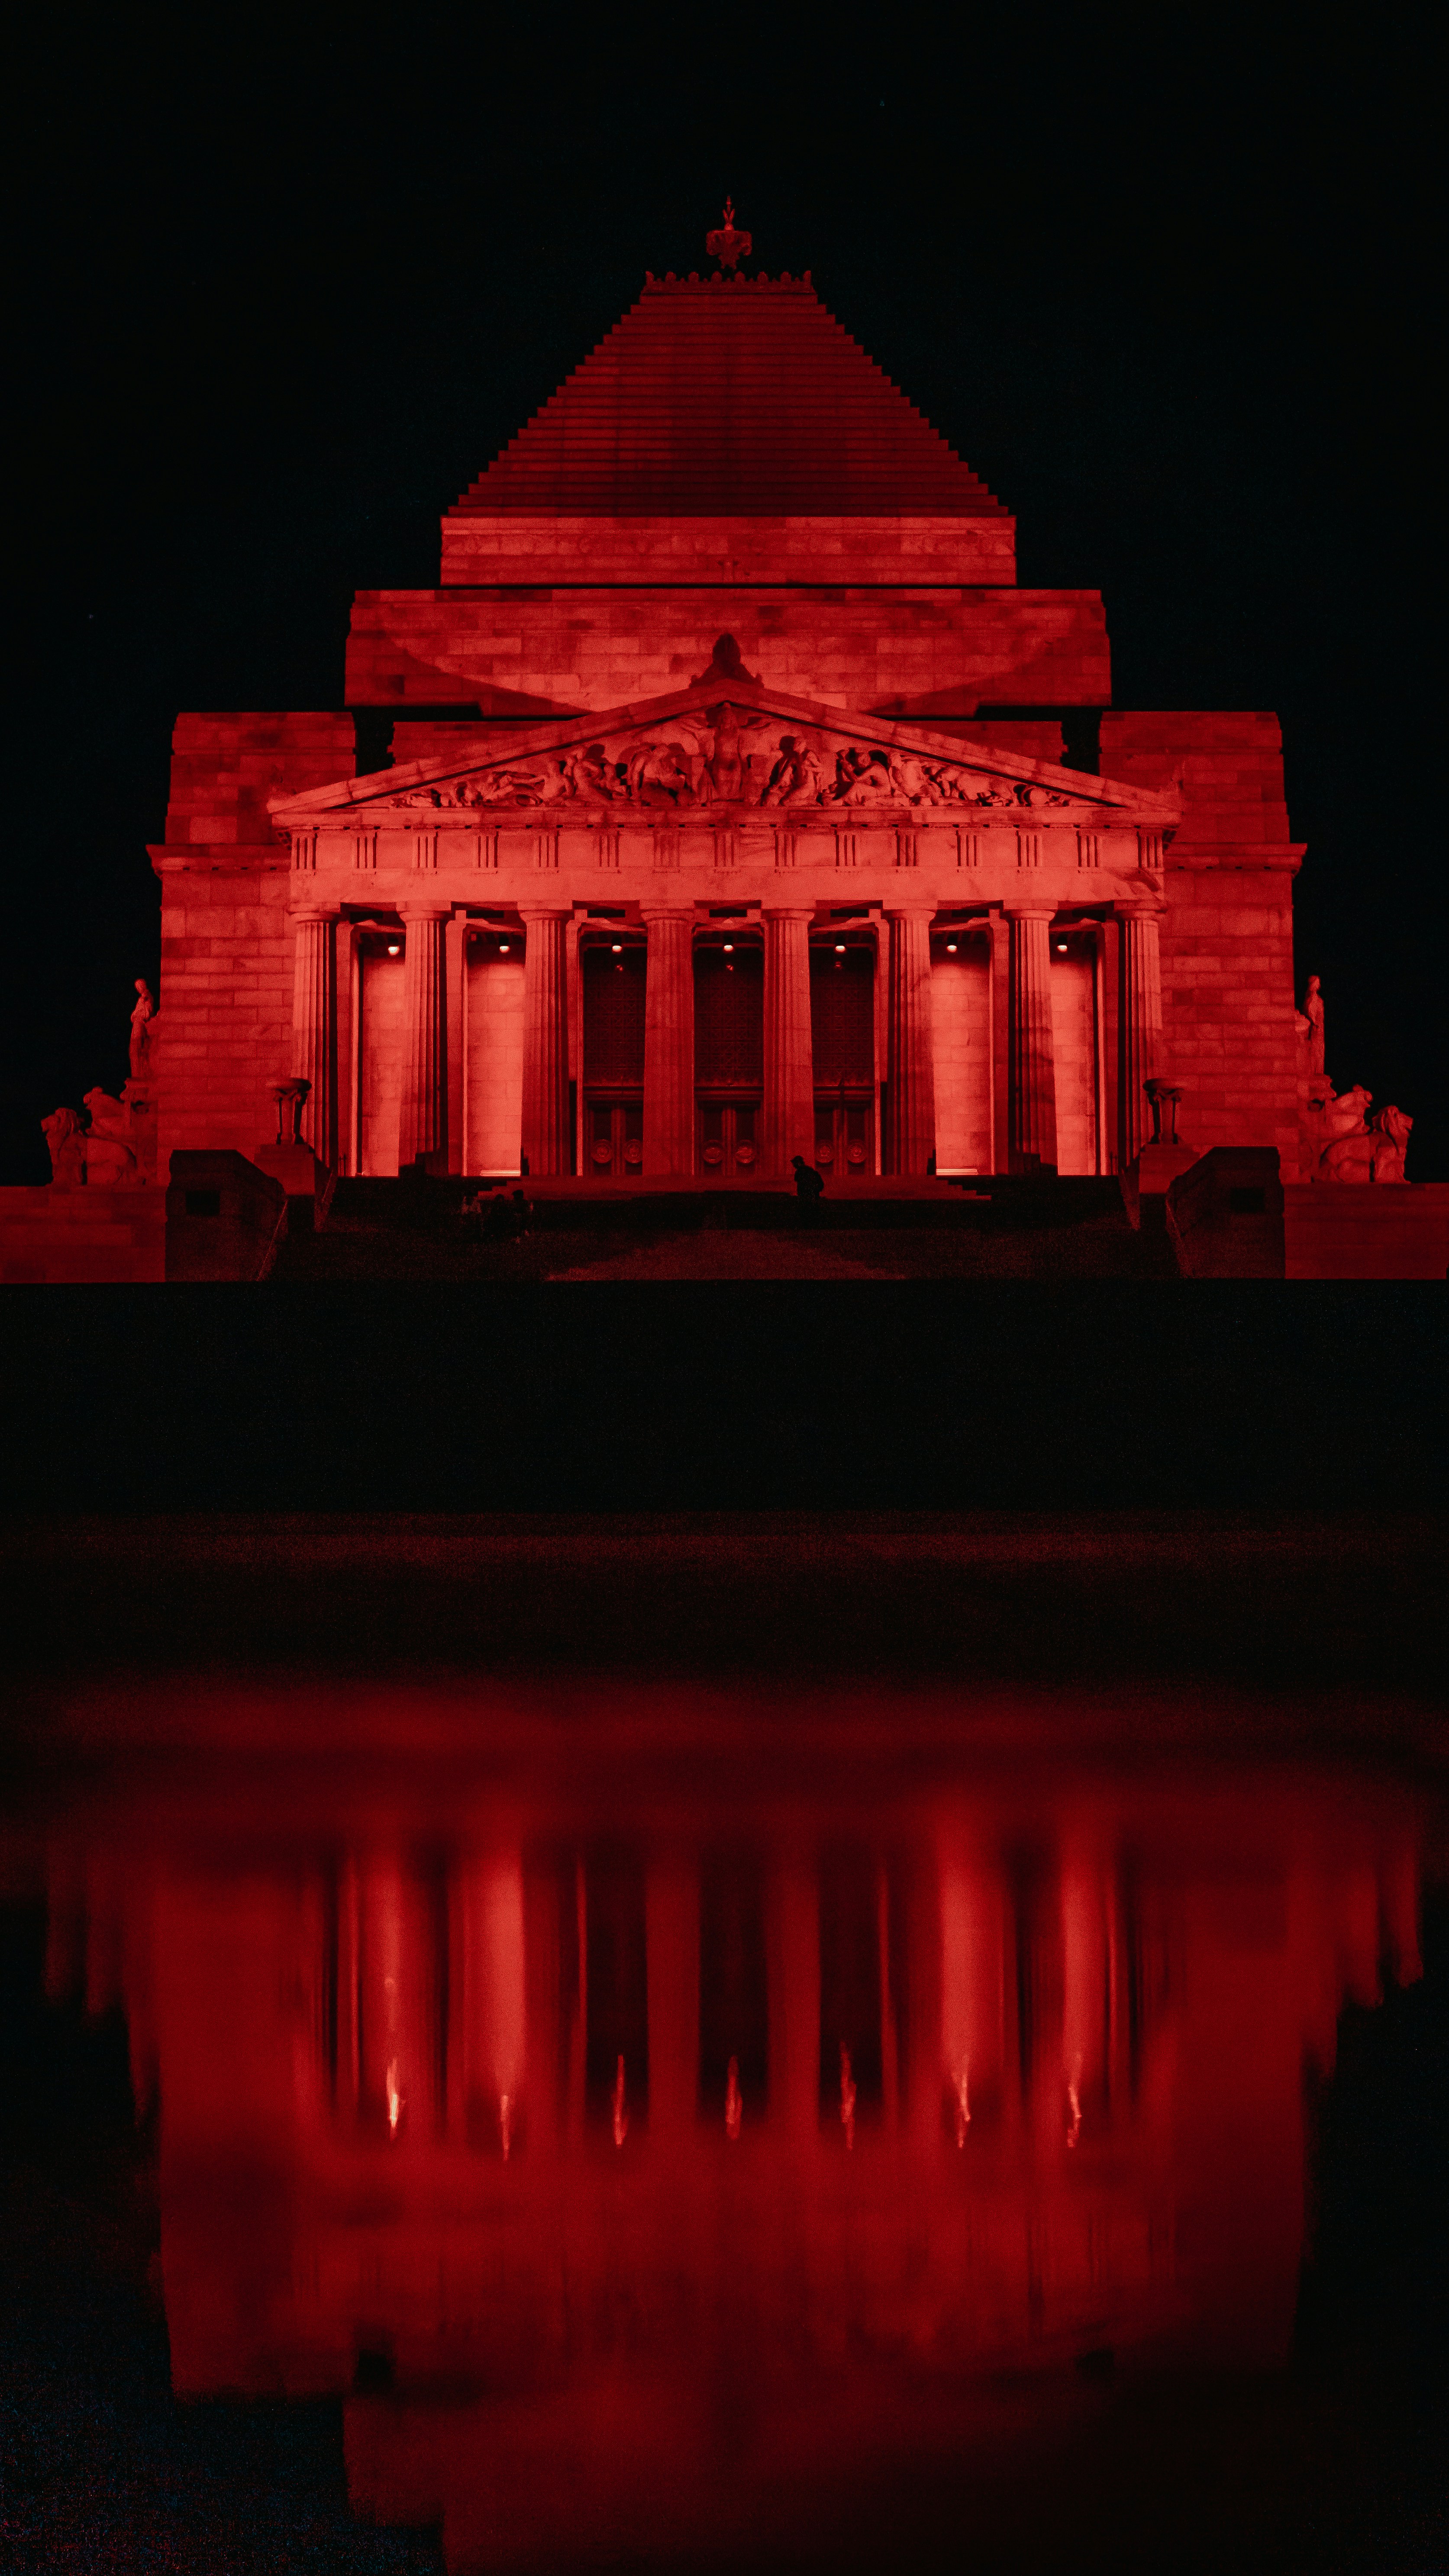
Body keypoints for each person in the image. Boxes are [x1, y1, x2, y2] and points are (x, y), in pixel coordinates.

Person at [790, 1154, 826, 1220]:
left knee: (806, 1209)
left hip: (807, 1194)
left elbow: (799, 1181)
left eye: (795, 1164)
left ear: (798, 1163)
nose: (794, 1166)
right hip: (812, 1193)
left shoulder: (801, 1171)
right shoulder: (809, 1170)